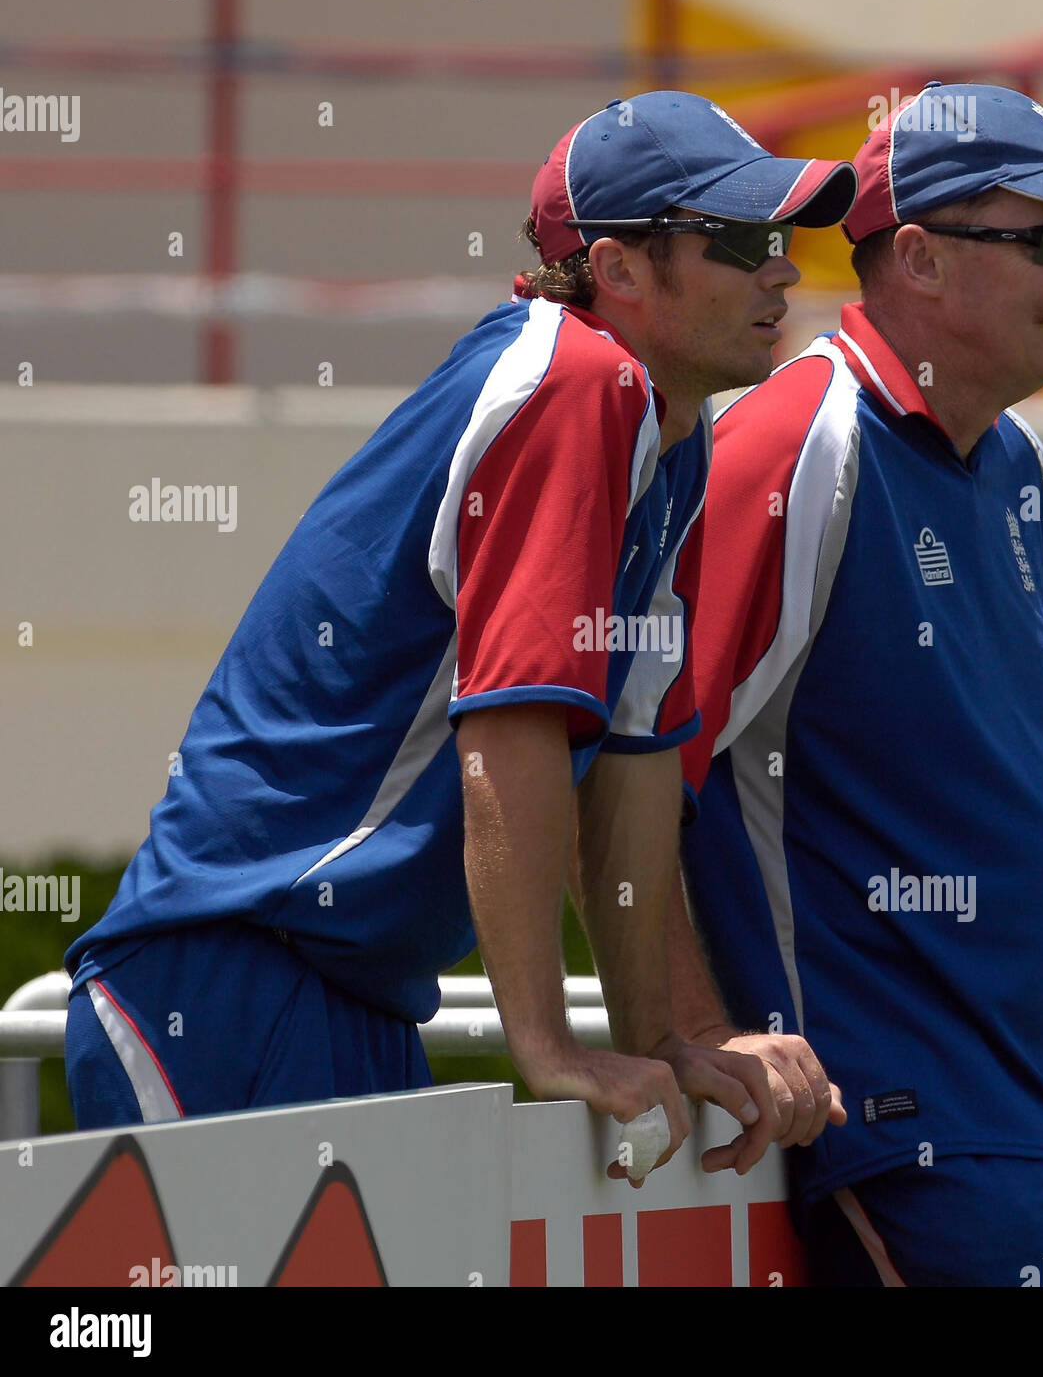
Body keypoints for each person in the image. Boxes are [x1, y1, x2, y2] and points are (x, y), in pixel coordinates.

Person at [63, 91, 857, 1187]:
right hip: (225, 979)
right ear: (619, 272)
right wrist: (546, 1044)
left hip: (348, 990)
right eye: (742, 241)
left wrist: (658, 1037)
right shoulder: (580, 384)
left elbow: (629, 765)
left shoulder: (668, 434)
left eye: (785, 240)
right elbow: (516, 728)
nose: (784, 271)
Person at [667, 81, 1043, 1276]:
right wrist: (695, 1026)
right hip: (912, 1133)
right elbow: (633, 766)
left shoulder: (1018, 463)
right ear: (921, 261)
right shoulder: (793, 447)